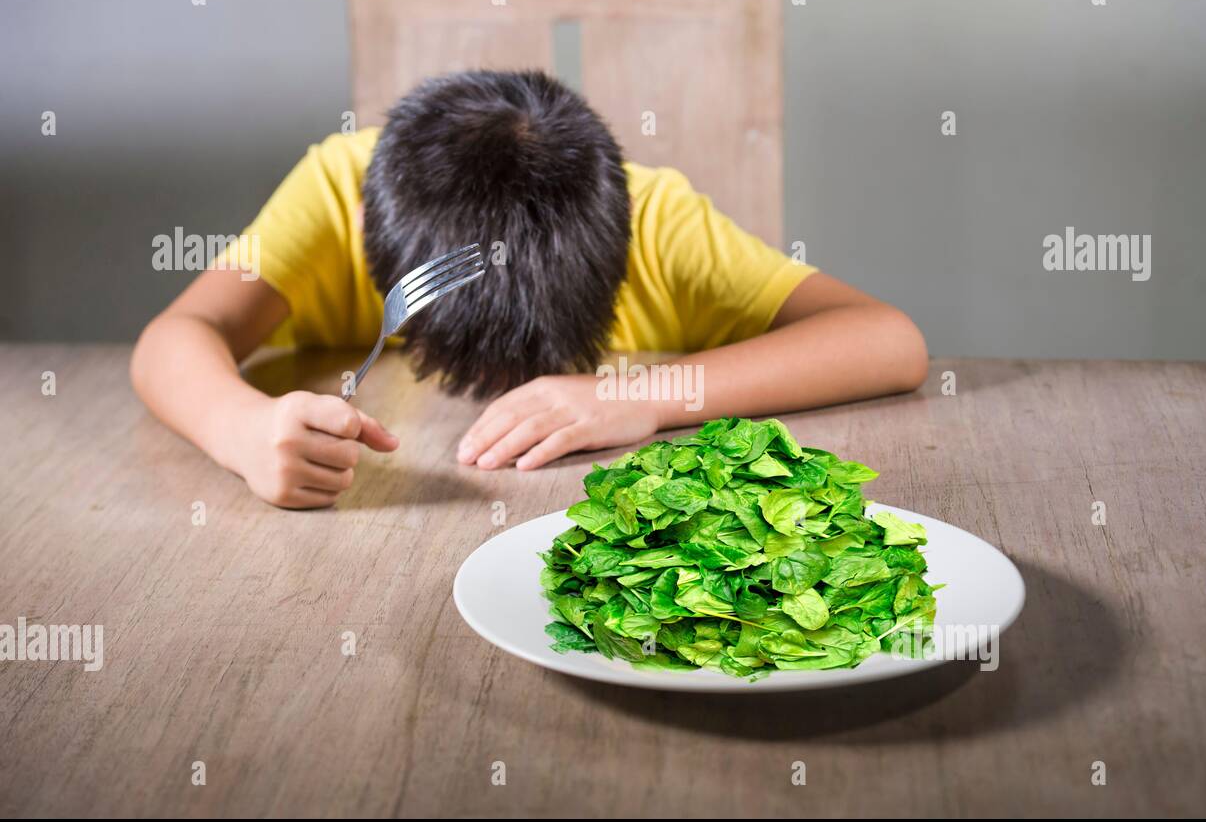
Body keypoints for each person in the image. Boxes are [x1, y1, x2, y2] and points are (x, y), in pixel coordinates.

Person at [131, 70, 927, 508]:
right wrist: (240, 430)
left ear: (614, 257)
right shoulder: (341, 188)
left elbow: (887, 340)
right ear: (380, 250)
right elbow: (177, 334)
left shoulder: (655, 216)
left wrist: (645, 397)